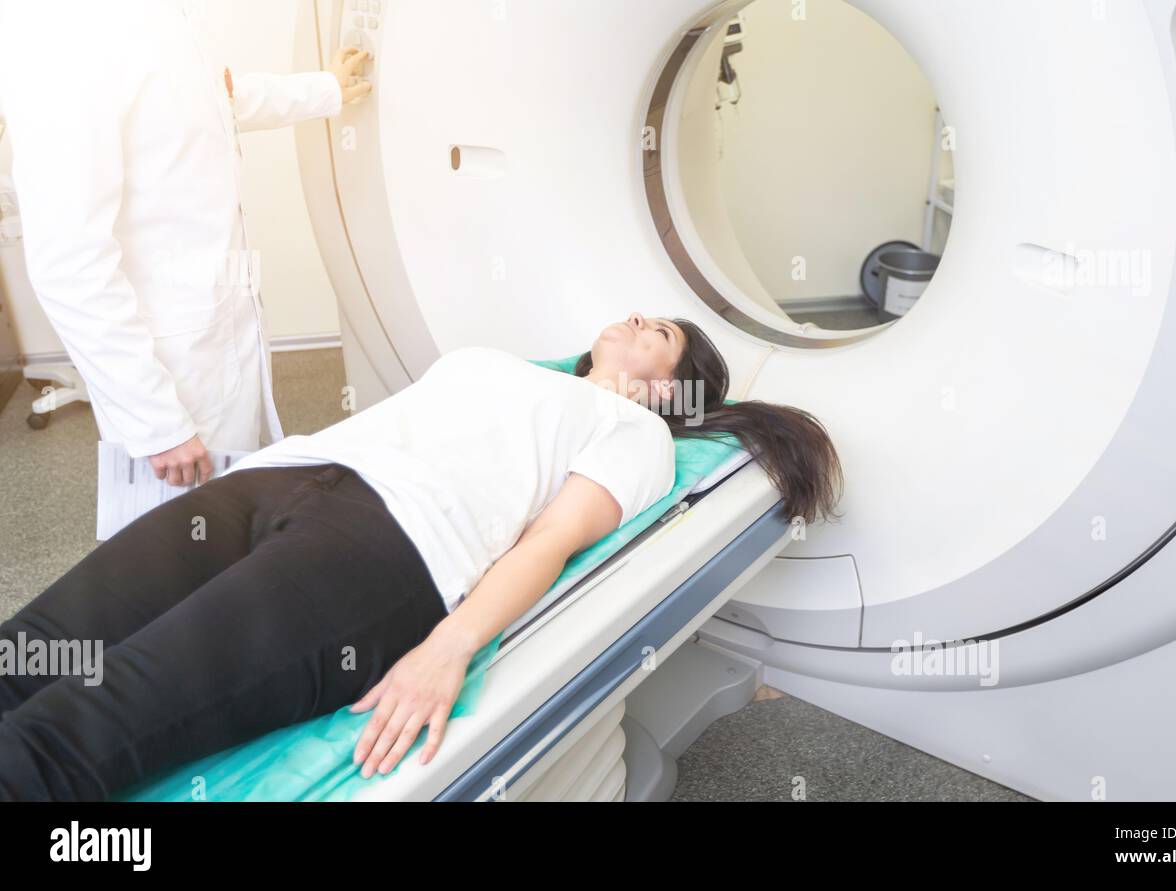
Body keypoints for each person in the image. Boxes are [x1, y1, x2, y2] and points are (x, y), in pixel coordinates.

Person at [0, 314, 844, 801]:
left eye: (656, 330)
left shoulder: (636, 433)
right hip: (268, 482)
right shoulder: (501, 362)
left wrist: (448, 648)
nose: (632, 318)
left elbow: (548, 543)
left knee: (89, 721)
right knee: (27, 647)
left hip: (382, 549)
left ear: (671, 386)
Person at [0, 0, 373, 487]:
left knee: (229, 521)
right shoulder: (63, 28)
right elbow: (69, 265)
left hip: (214, 334)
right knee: (181, 541)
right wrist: (158, 425)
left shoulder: (158, 16)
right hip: (169, 374)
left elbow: (206, 99)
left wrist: (324, 89)